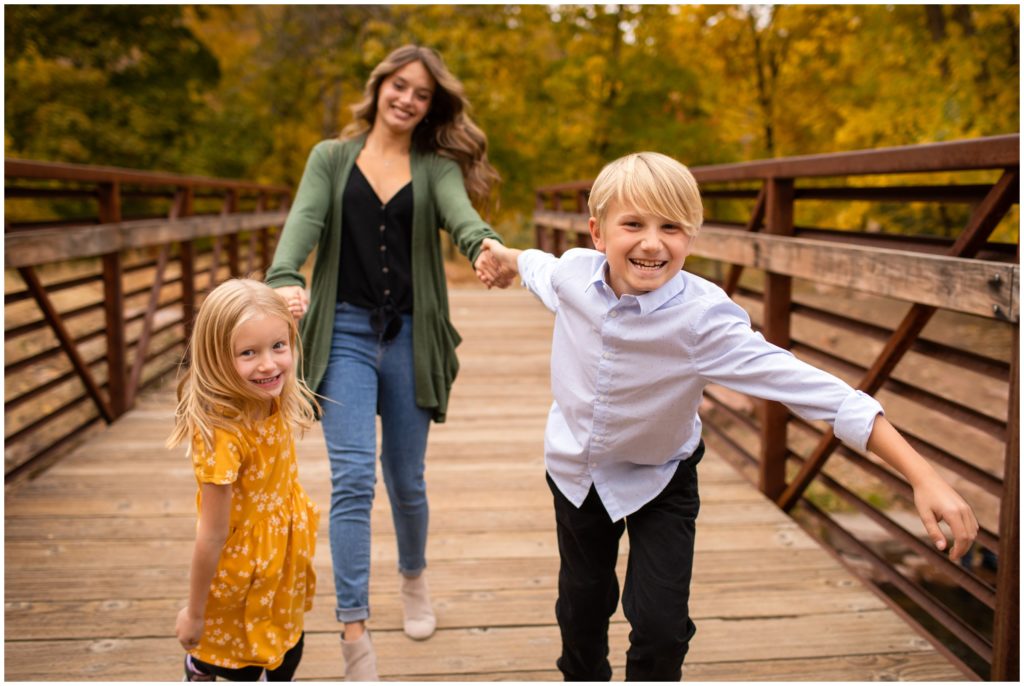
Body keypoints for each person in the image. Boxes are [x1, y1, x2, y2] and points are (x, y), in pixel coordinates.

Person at [478, 151, 979, 681]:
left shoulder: (703, 320)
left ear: (691, 238)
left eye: (671, 226)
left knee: (661, 626)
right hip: (578, 471)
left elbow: (817, 391)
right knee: (582, 607)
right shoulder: (573, 276)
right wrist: (500, 256)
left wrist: (922, 474)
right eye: (633, 224)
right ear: (597, 233)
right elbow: (535, 264)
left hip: (661, 475)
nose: (652, 242)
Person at [265, 44, 513, 680]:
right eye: (399, 86)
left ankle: (413, 579)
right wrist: (286, 277)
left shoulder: (434, 167)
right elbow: (303, 225)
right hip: (343, 331)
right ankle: (355, 633)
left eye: (421, 93)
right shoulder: (330, 157)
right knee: (352, 480)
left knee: (407, 481)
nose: (407, 99)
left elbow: (462, 221)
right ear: (379, 88)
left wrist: (484, 246)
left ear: (432, 106)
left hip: (409, 338)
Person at [168, 279, 321, 681]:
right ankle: (199, 668)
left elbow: (273, 326)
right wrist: (194, 614)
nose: (269, 364)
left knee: (288, 650)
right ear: (216, 357)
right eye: (247, 353)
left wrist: (286, 306)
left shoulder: (271, 396)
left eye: (278, 346)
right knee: (238, 664)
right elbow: (211, 535)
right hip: (239, 572)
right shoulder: (222, 435)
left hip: (282, 558)